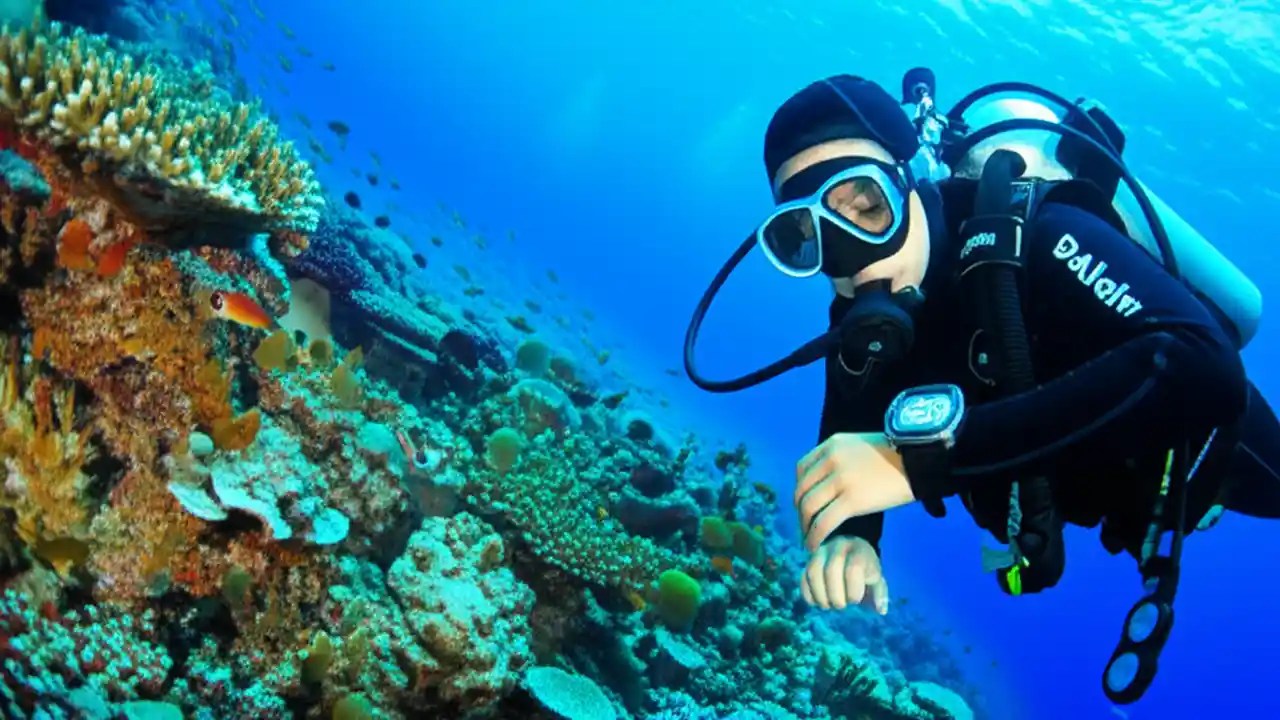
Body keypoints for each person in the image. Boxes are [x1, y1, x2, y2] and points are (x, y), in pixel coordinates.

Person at [682, 71, 1280, 704]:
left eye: (867, 206)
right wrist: (851, 537)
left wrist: (918, 465)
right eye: (811, 238)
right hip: (1086, 486)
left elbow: (1205, 368)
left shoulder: (1038, 233)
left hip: (1204, 454)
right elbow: (848, 436)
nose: (852, 255)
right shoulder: (862, 319)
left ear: (912, 179)